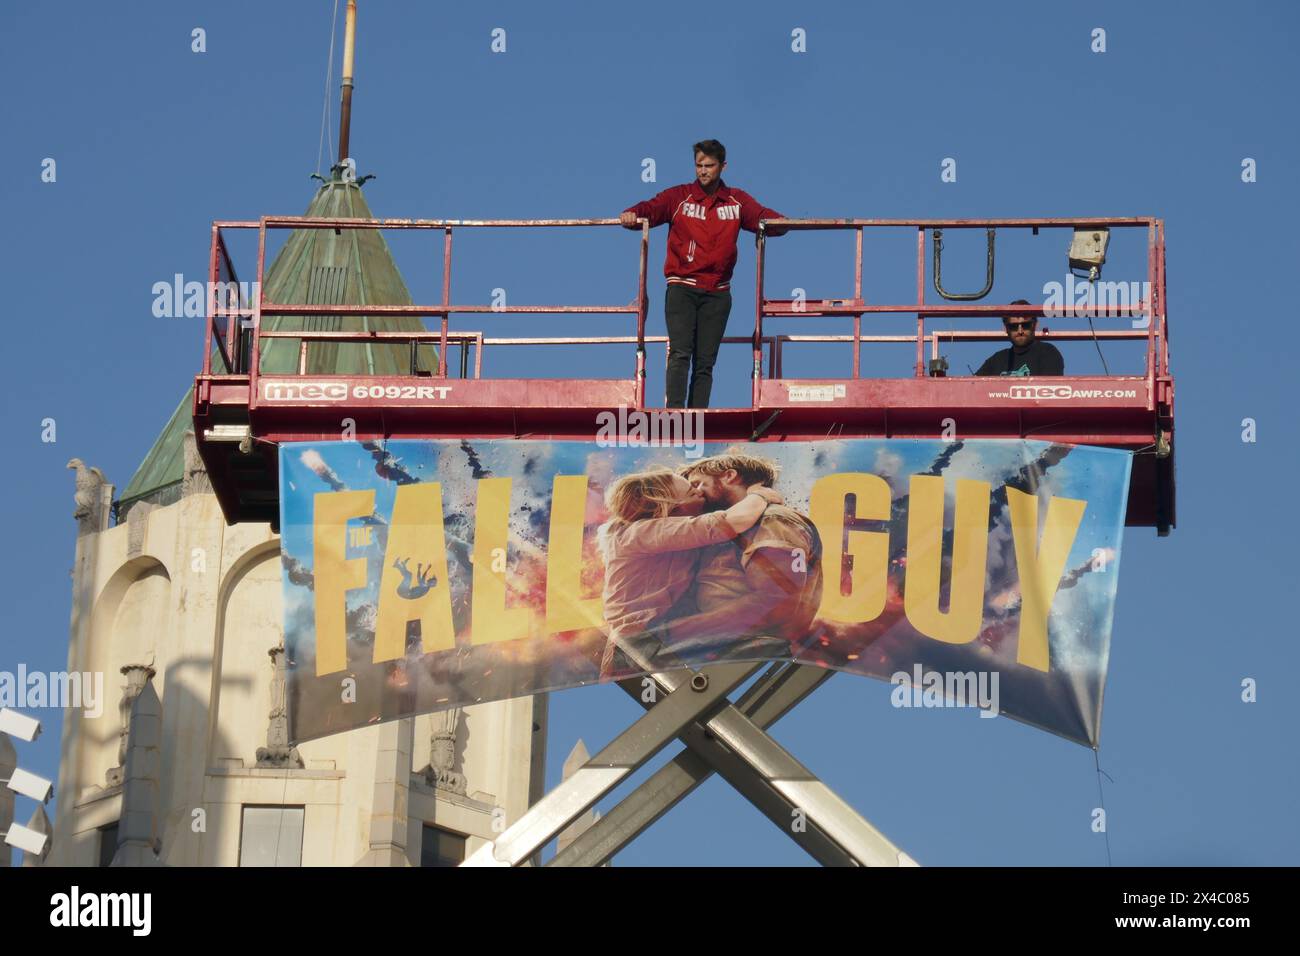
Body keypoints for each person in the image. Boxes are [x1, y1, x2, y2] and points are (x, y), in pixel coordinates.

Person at [620, 140, 787, 408]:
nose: (703, 171)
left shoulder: (736, 201)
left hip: (718, 293)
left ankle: (697, 416)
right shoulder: (680, 197)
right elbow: (651, 208)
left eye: (709, 165)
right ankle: (674, 414)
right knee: (680, 353)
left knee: (705, 362)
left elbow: (764, 217)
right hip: (682, 288)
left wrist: (783, 224)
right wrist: (632, 215)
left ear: (723, 166)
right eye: (699, 165)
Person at [597, 469, 783, 676]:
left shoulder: (666, 534)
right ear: (667, 504)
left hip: (660, 633)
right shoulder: (639, 533)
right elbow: (733, 522)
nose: (699, 491)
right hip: (639, 642)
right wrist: (759, 495)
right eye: (690, 490)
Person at [644, 452, 824, 662]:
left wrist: (674, 633)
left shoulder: (773, 519)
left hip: (745, 657)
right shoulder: (725, 529)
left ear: (729, 476)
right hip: (721, 654)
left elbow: (777, 601)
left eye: (698, 484)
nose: (697, 495)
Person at [974, 300, 1065, 376]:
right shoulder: (996, 360)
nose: (1020, 331)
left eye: (1025, 325)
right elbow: (972, 387)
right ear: (1006, 328)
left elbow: (1049, 392)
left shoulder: (1048, 352)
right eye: (1014, 326)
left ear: (1035, 325)